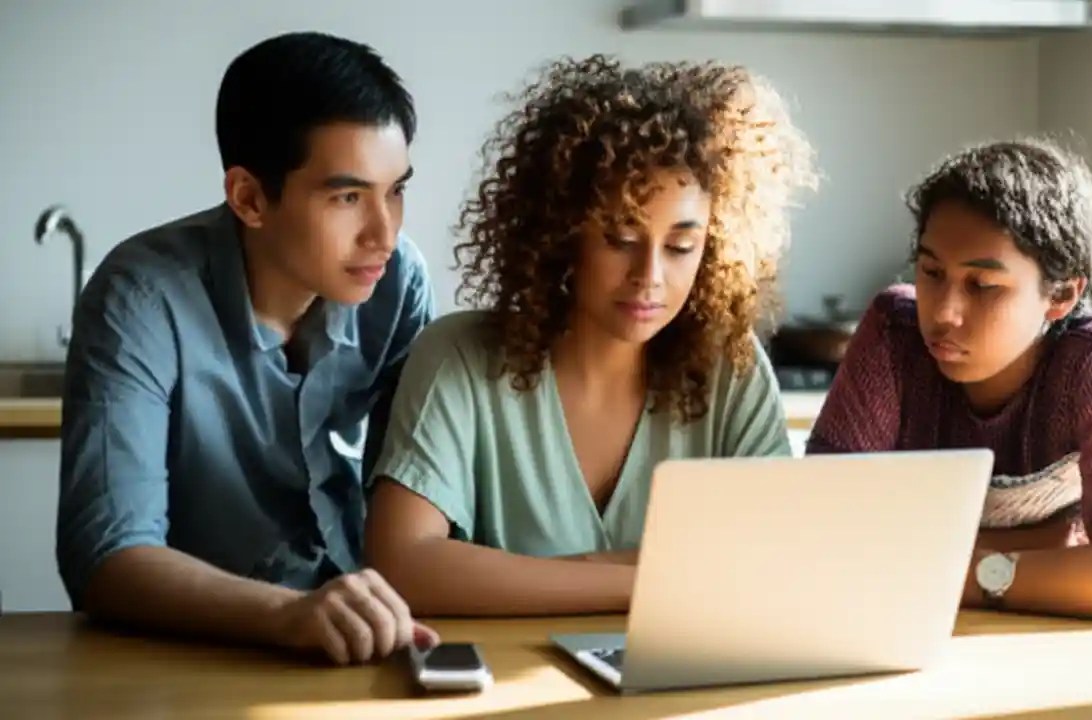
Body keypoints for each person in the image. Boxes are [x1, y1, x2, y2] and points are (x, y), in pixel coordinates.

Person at [364, 55, 818, 616]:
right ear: (562, 234)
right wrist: (650, 578)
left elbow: (778, 560)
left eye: (681, 246)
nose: (649, 276)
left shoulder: (732, 367)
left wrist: (558, 577)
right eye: (621, 238)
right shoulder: (458, 358)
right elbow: (403, 566)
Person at [57, 31, 440, 664]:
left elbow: (415, 506)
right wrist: (292, 613)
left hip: (371, 642)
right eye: (348, 196)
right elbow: (106, 558)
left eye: (395, 190)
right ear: (250, 198)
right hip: (194, 656)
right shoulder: (140, 297)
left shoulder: (398, 282)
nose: (384, 232)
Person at [807, 138, 1092, 621]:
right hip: (907, 633)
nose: (943, 312)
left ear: (1061, 294)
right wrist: (1048, 548)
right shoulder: (893, 333)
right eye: (931, 272)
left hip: (1054, 650)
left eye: (983, 286)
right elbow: (821, 538)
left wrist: (952, 567)